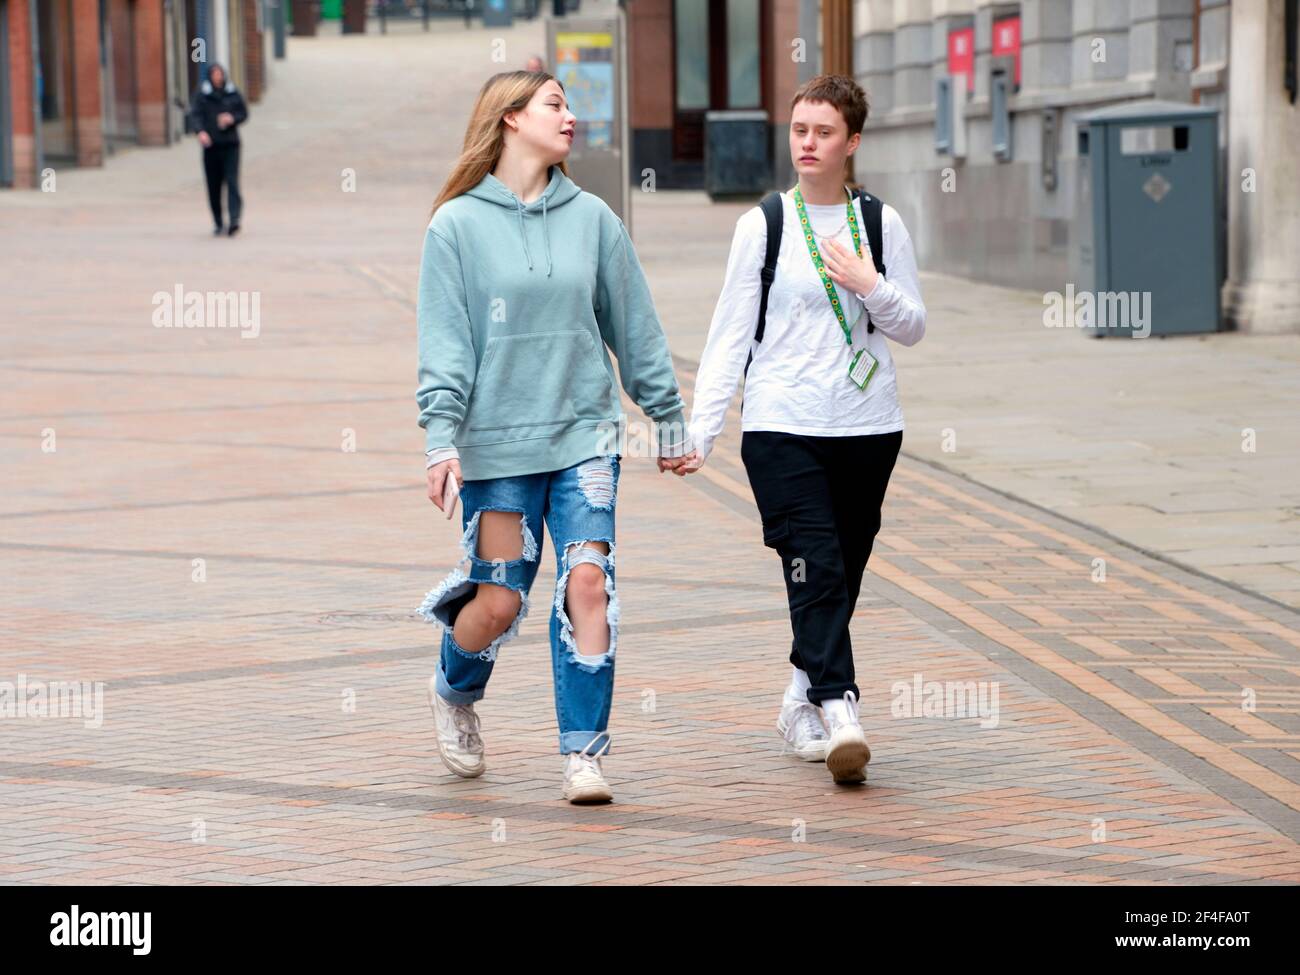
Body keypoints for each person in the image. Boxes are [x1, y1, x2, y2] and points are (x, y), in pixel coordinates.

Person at [416, 71, 692, 804]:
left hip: (584, 438)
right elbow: (445, 346)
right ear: (510, 120)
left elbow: (634, 325)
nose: (571, 116)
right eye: (555, 104)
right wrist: (441, 440)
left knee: (588, 581)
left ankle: (583, 753)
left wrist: (666, 417)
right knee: (500, 598)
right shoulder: (455, 227)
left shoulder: (594, 218)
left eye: (570, 104)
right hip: (498, 447)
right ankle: (454, 689)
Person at [676, 74, 926, 785]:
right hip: (782, 423)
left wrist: (869, 282)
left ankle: (797, 696)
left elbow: (912, 326)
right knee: (813, 560)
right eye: (799, 130)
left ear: (852, 142)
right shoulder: (764, 224)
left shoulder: (881, 222)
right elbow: (729, 335)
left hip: (869, 425)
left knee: (838, 572)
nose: (808, 143)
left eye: (823, 132)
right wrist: (703, 430)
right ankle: (841, 705)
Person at [187, 63, 248, 236]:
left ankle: (234, 219)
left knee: (232, 182)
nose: (217, 77)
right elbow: (195, 115)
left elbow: (243, 113)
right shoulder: (202, 94)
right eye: (214, 74)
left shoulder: (232, 92)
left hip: (230, 144)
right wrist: (200, 132)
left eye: (219, 74)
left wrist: (232, 118)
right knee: (214, 185)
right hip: (211, 146)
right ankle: (218, 221)